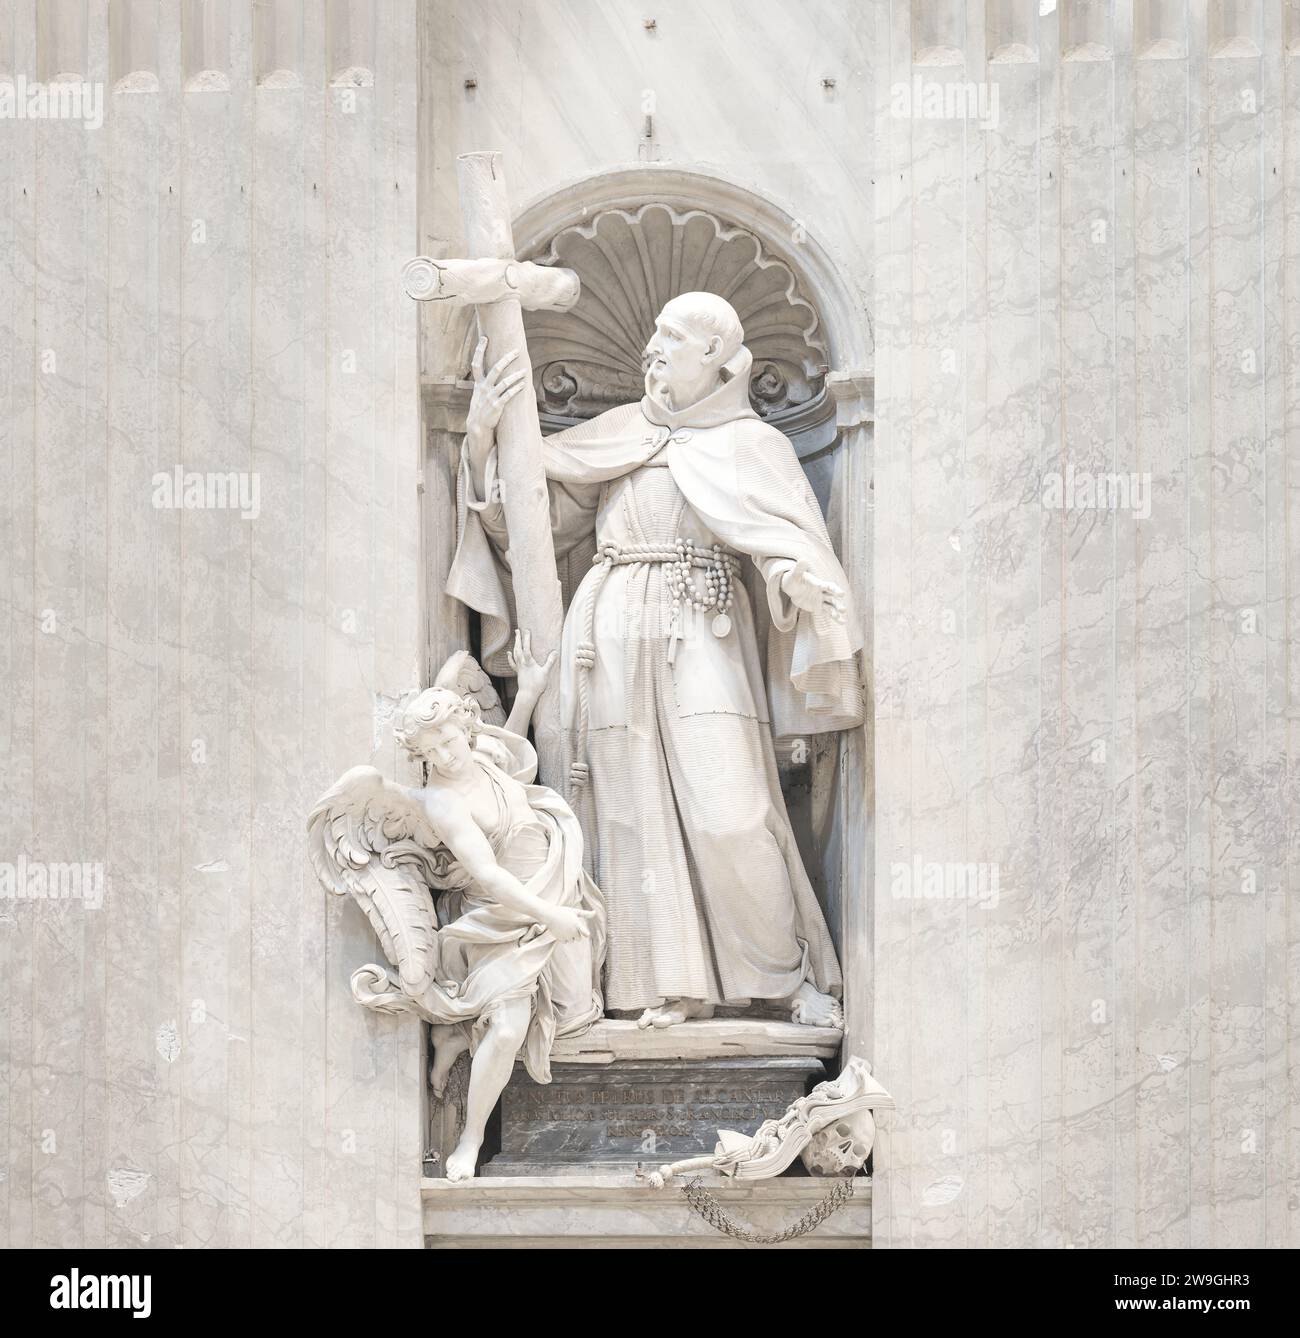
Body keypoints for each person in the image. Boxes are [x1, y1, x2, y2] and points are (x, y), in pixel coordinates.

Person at [448, 292, 863, 1029]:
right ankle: (653, 983)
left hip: (703, 627)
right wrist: (482, 443)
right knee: (626, 810)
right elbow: (534, 536)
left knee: (732, 810)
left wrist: (795, 577)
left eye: (673, 338)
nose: (653, 349)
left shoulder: (752, 445)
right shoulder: (620, 433)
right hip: (604, 636)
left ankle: (780, 978)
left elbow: (791, 540)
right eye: (653, 335)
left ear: (719, 358)